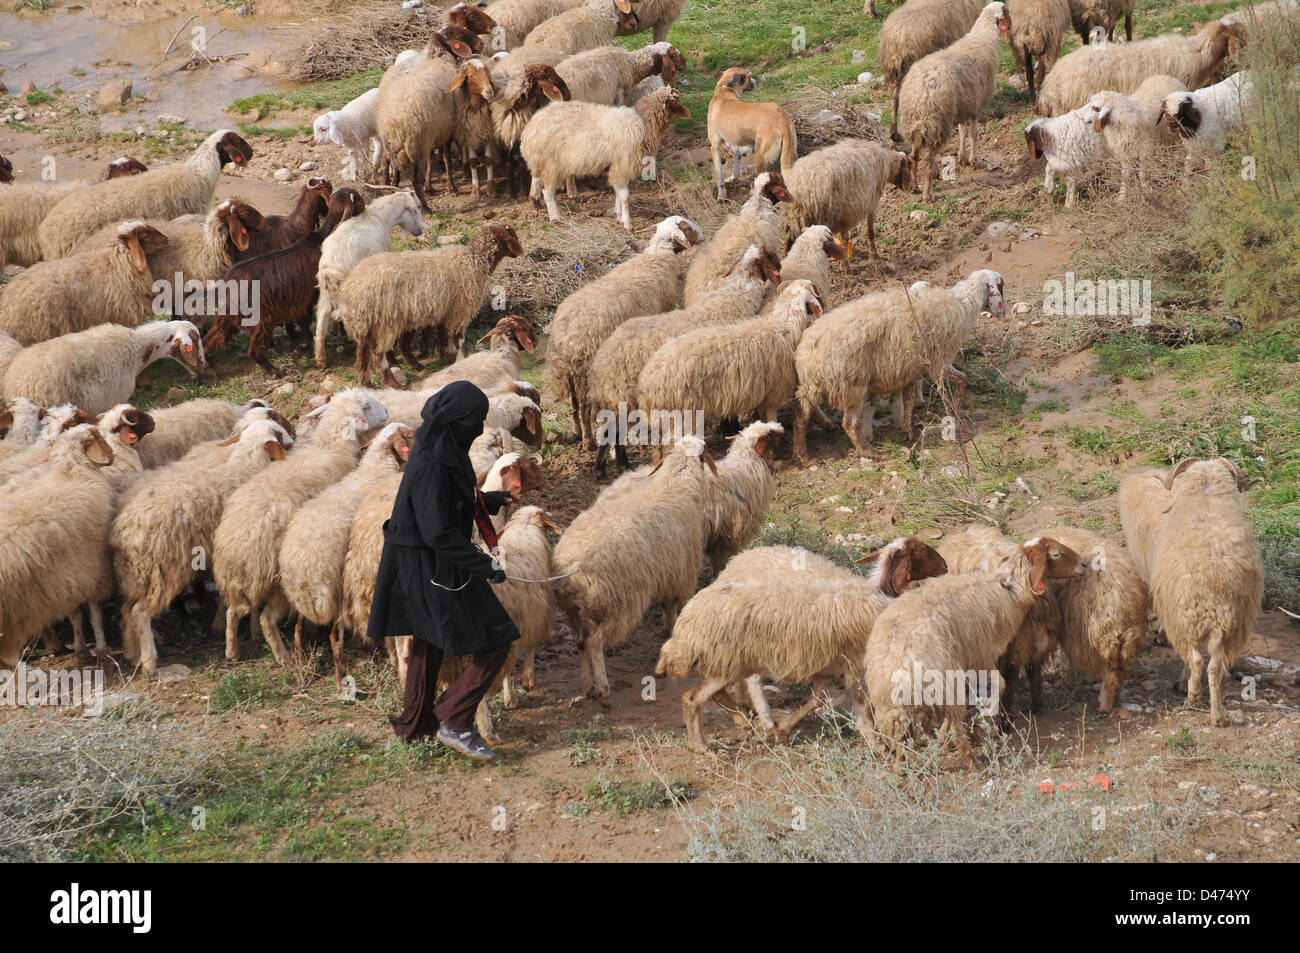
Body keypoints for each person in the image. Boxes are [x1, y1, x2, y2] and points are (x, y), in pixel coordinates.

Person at [368, 382, 520, 761]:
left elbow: (449, 501)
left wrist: (489, 499)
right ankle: (453, 719)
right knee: (498, 637)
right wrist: (484, 566)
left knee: (429, 638)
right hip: (430, 564)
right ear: (458, 420)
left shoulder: (441, 446)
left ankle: (413, 725)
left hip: (425, 559)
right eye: (475, 420)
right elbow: (436, 530)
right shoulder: (434, 463)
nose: (478, 427)